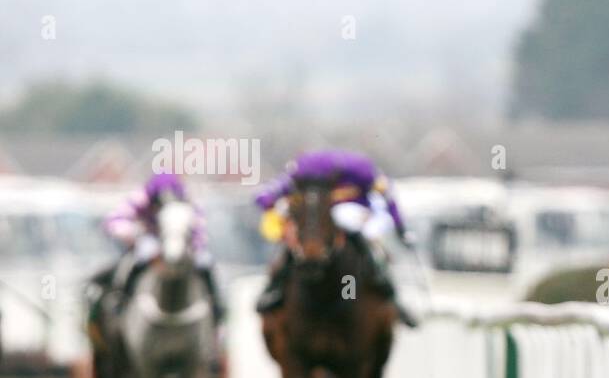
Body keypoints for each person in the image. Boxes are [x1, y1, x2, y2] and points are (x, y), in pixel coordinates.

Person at [254, 149, 418, 327]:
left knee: (348, 222)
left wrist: (400, 227)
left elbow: (387, 195)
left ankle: (382, 287)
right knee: (300, 235)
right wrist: (272, 201)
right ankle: (275, 288)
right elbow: (264, 197)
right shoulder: (301, 172)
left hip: (353, 213)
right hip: (316, 217)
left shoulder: (361, 170)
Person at [90, 172, 224, 326]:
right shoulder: (140, 197)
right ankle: (123, 300)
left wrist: (195, 245)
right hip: (149, 239)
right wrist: (134, 234)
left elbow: (199, 228)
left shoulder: (187, 200)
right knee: (141, 255)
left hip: (180, 243)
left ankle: (215, 305)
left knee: (205, 261)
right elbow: (114, 220)